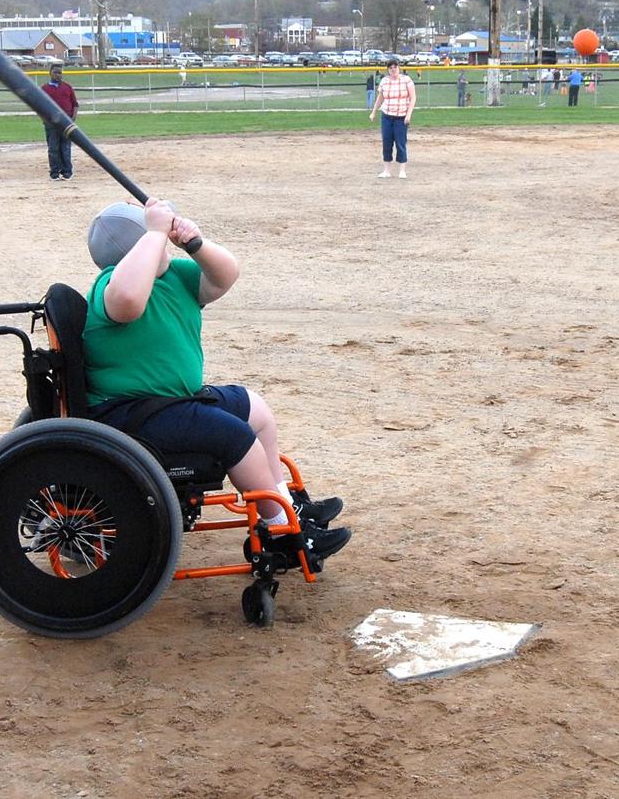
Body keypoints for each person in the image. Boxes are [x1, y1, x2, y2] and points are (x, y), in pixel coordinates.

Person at [81, 200, 351, 562]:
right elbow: (129, 299)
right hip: (131, 412)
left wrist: (195, 244)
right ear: (137, 251)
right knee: (234, 436)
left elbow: (226, 275)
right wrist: (156, 232)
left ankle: (287, 504)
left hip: (172, 403)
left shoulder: (175, 277)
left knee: (256, 410)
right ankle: (278, 532)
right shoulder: (109, 288)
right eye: (152, 238)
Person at [369, 57, 416, 178]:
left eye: (395, 67)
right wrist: (374, 112)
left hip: (401, 117)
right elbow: (380, 98)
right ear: (388, 70)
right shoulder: (384, 81)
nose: (393, 69)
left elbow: (413, 98)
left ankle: (402, 170)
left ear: (399, 67)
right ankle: (386, 171)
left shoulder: (406, 80)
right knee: (387, 142)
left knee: (400, 143)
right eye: (390, 68)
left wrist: (409, 114)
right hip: (387, 117)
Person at [40, 65, 78, 180]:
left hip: (66, 123)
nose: (59, 75)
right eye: (56, 72)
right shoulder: (45, 89)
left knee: (65, 147)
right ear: (50, 73)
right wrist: (44, 119)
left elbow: (75, 104)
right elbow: (39, 105)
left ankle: (67, 172)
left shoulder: (67, 87)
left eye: (60, 73)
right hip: (51, 123)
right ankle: (54, 172)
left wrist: (72, 118)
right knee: (53, 148)